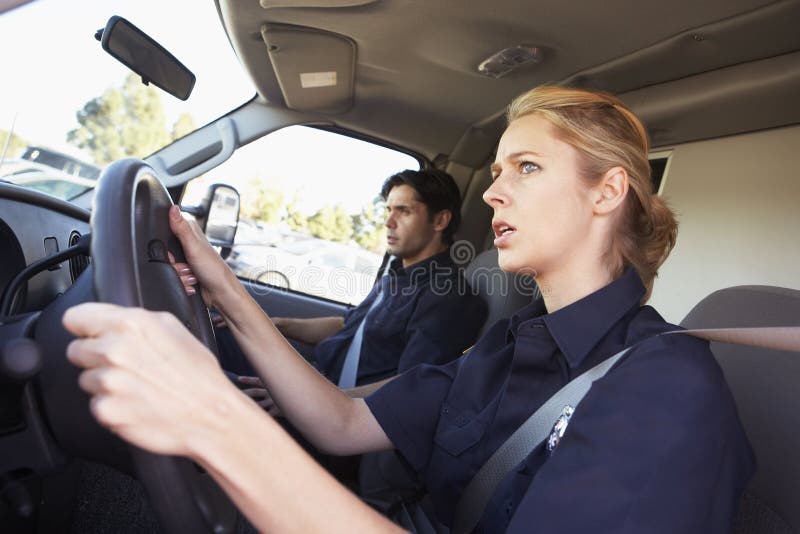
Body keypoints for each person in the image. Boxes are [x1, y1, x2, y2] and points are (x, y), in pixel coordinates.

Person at [63, 86, 754, 533]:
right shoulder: (509, 345)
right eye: (500, 169)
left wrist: (211, 419)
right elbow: (339, 422)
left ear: (607, 192)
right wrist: (221, 287)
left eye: (528, 168)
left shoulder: (665, 385)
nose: (494, 193)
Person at [218, 168, 487, 398]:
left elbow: (410, 388)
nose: (388, 222)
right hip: (318, 382)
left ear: (440, 220)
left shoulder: (448, 298)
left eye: (404, 212)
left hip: (335, 415)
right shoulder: (397, 275)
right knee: (223, 336)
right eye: (388, 210)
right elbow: (350, 325)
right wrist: (276, 324)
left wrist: (308, 403)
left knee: (208, 382)